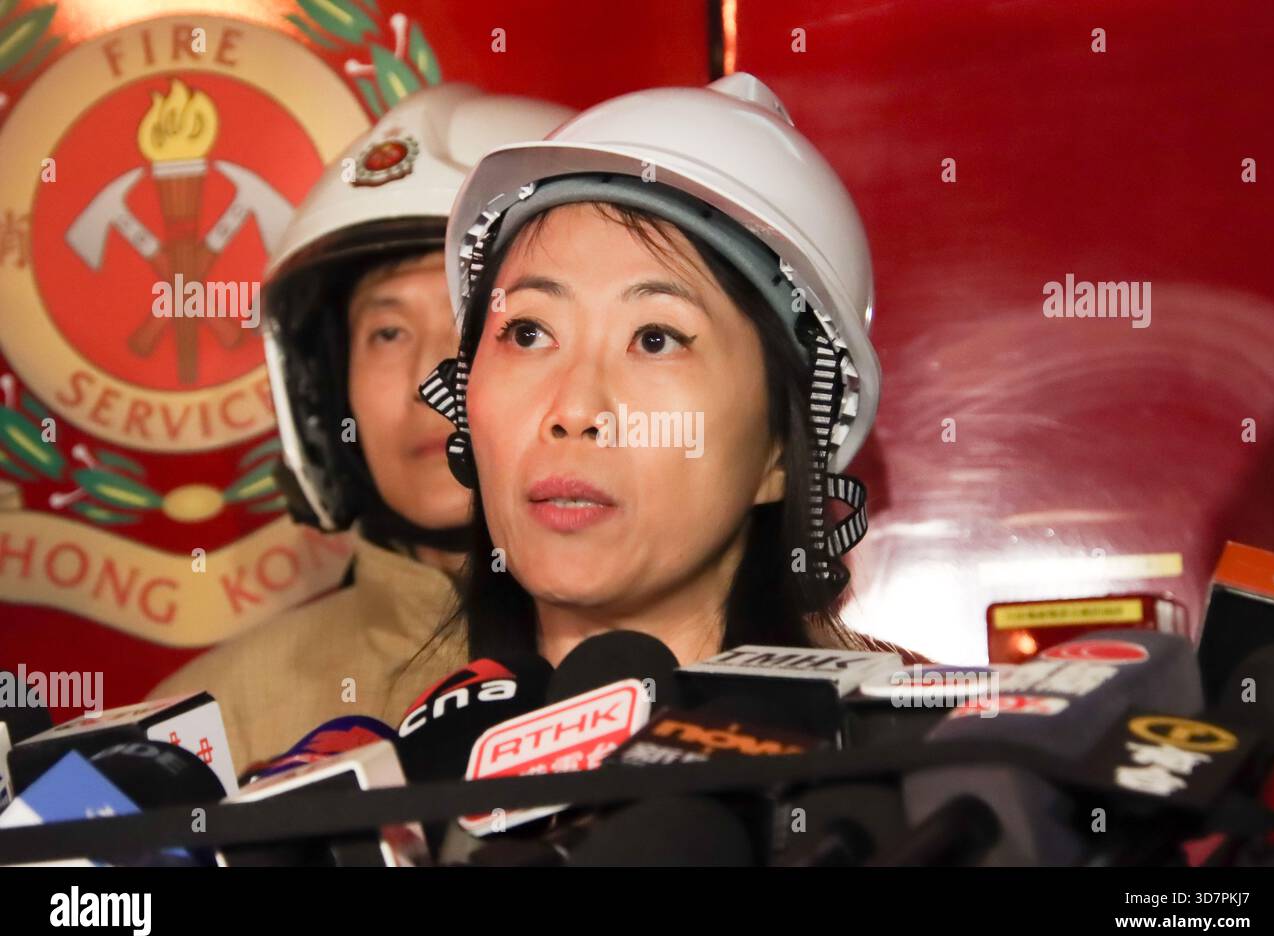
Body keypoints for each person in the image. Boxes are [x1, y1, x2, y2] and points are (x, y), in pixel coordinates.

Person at [418, 73, 922, 667]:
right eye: (528, 333)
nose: (575, 412)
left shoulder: (922, 749)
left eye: (655, 339)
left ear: (785, 449)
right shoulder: (405, 756)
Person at [151, 85, 574, 773]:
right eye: (386, 331)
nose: (426, 378)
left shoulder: (739, 677)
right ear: (324, 391)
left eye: (481, 323)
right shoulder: (211, 728)